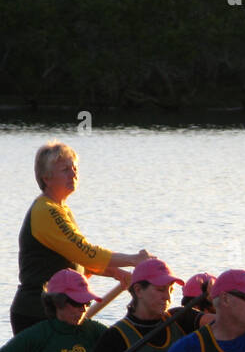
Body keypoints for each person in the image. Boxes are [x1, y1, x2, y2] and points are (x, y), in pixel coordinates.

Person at [9, 142, 151, 334]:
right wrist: (133, 260)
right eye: (65, 170)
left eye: (74, 168)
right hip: (37, 310)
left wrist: (116, 273)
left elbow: (76, 258)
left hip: (61, 308)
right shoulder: (46, 211)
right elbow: (85, 252)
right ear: (46, 178)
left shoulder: (61, 209)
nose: (73, 174)